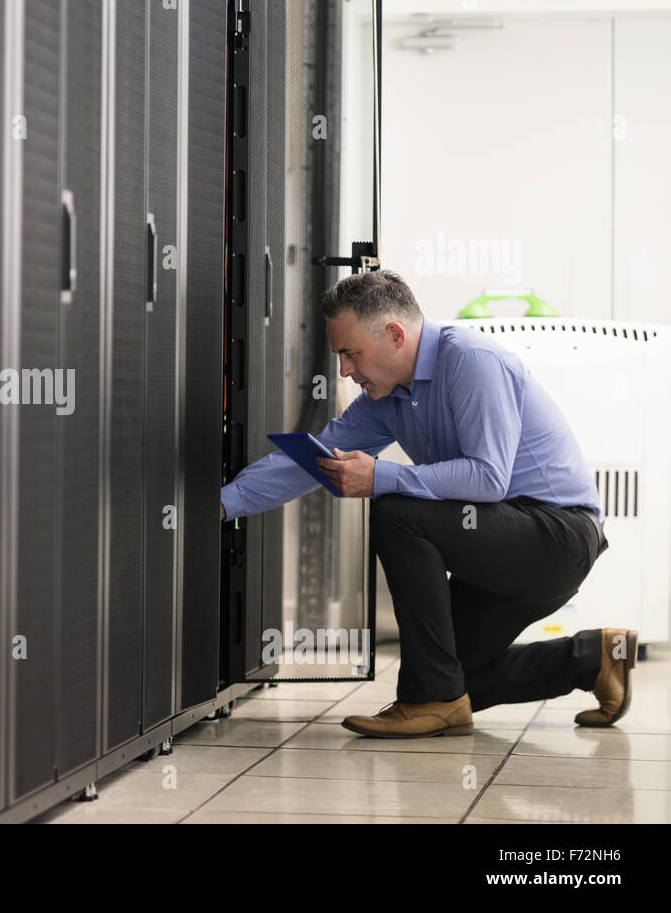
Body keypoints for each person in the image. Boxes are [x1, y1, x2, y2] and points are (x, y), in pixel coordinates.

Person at [219, 270, 635, 738]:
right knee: (455, 676)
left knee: (397, 512)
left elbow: (488, 478)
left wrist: (382, 476)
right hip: (501, 543)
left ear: (395, 335)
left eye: (350, 354)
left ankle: (431, 699)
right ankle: (594, 658)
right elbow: (313, 462)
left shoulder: (471, 361)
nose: (344, 371)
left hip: (556, 537)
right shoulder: (384, 398)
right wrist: (219, 506)